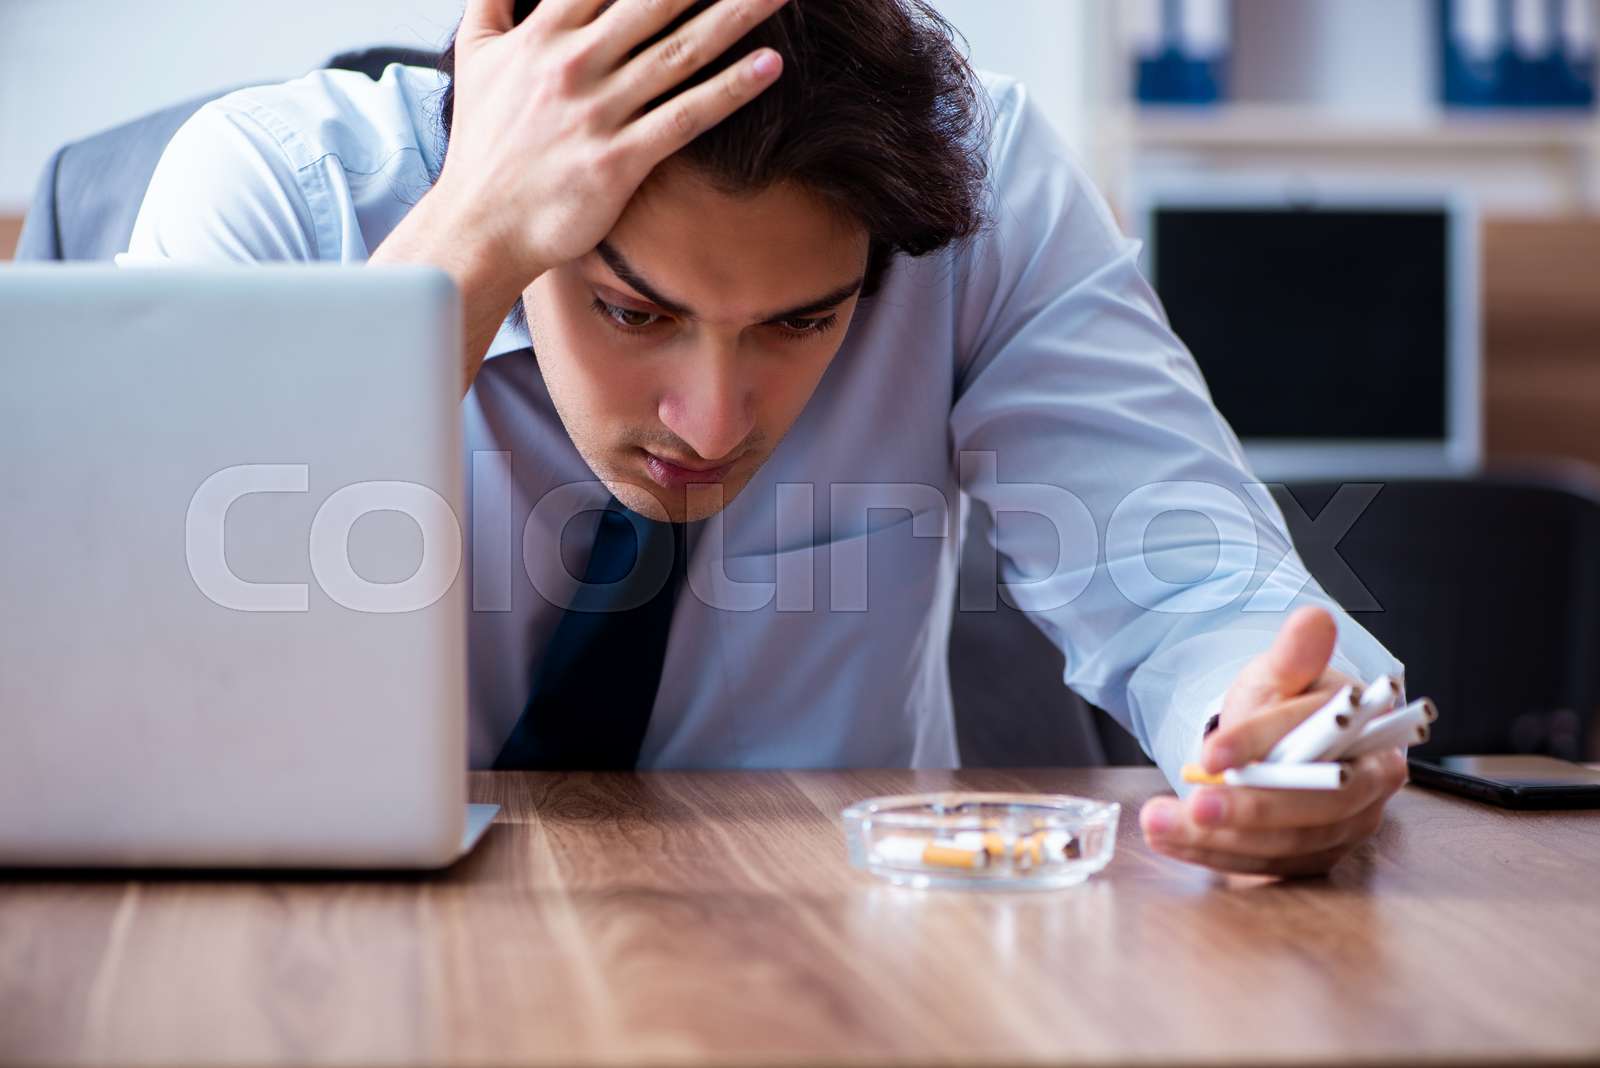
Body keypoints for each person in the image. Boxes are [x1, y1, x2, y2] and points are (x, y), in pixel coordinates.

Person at [118, 0, 1408, 877]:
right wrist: (469, 244)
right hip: (348, 964)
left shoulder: (982, 197)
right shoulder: (275, 195)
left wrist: (1278, 735)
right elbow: (149, 666)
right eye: (633, 309)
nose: (712, 422)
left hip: (831, 960)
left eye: (803, 323)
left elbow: (1189, 578)